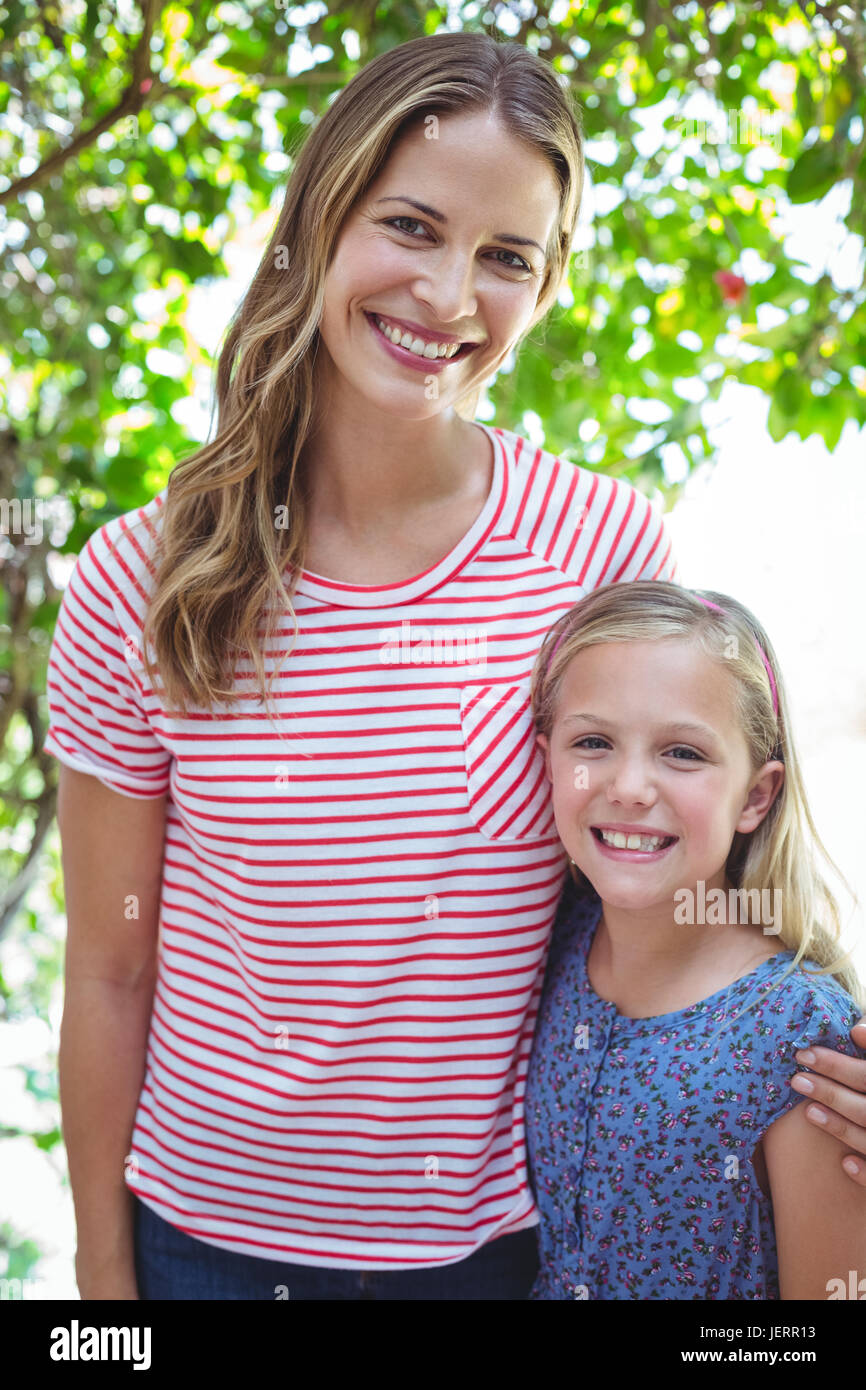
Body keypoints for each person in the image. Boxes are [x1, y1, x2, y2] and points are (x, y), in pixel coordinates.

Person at [45, 33, 866, 1303]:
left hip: (490, 1254)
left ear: (542, 292)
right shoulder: (137, 576)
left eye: (503, 258)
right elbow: (108, 968)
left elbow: (671, 859)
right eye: (411, 227)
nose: (445, 295)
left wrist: (821, 1046)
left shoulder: (600, 546)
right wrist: (104, 1287)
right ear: (319, 223)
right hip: (197, 1248)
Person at [525, 580, 866, 1299]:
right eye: (594, 742)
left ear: (756, 796)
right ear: (546, 757)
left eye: (682, 753)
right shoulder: (556, 940)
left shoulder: (800, 1035)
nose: (631, 786)